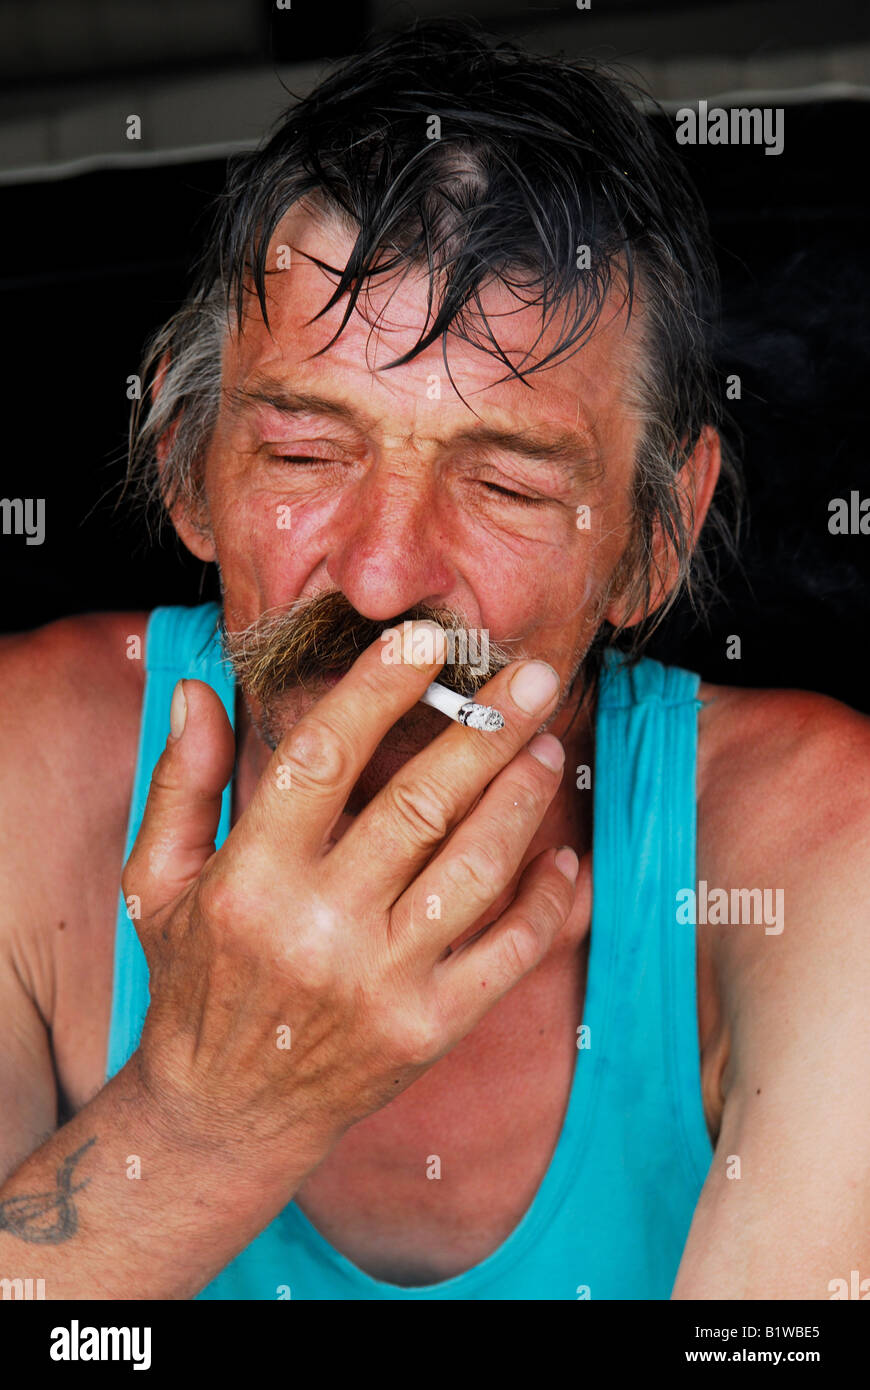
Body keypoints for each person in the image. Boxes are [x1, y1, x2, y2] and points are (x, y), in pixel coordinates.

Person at [1, 19, 868, 1301]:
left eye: (508, 485)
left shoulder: (815, 840)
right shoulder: (27, 770)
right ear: (189, 467)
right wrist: (210, 1112)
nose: (382, 575)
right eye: (305, 456)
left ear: (649, 541)